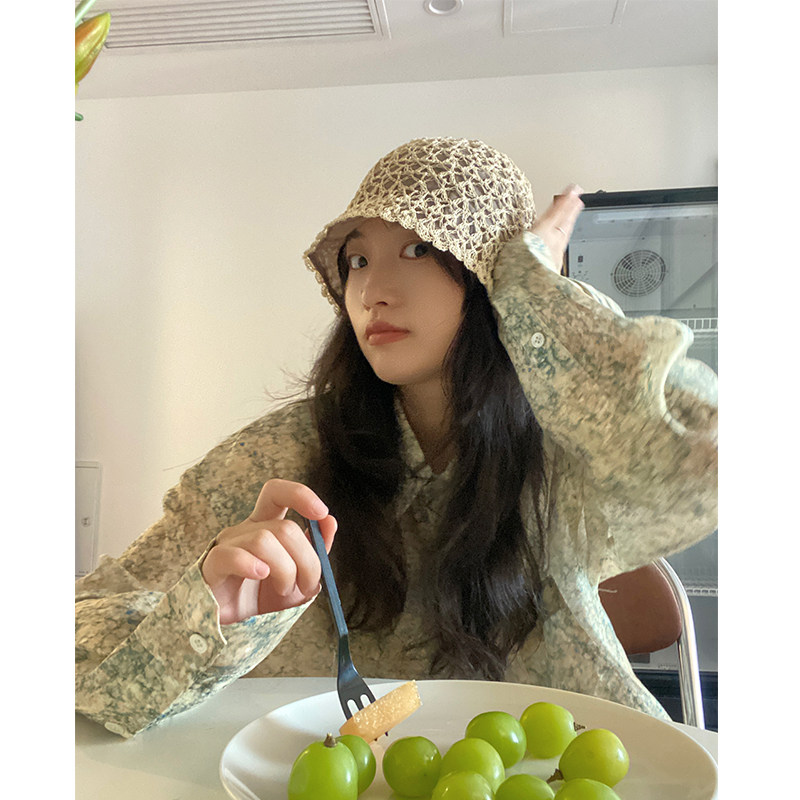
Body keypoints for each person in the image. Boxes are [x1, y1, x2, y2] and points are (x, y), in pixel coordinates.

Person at [75, 137, 717, 739]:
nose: (372, 292)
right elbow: (78, 649)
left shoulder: (563, 451)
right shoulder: (279, 461)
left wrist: (537, 296)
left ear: (490, 277)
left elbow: (706, 457)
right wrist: (205, 613)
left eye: (419, 250)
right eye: (357, 260)